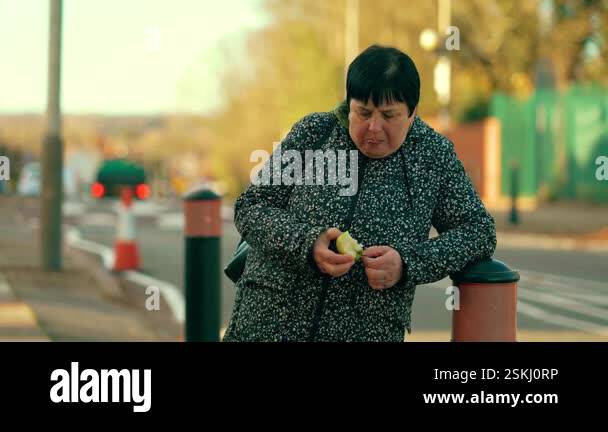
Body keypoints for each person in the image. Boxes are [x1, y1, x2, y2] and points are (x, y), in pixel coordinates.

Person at [223, 44, 496, 342]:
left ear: (413, 113)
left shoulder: (432, 157)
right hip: (267, 326)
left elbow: (479, 231)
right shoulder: (315, 133)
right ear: (348, 104)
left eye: (389, 115)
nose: (373, 128)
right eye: (363, 112)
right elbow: (251, 207)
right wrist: (306, 242)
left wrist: (407, 263)